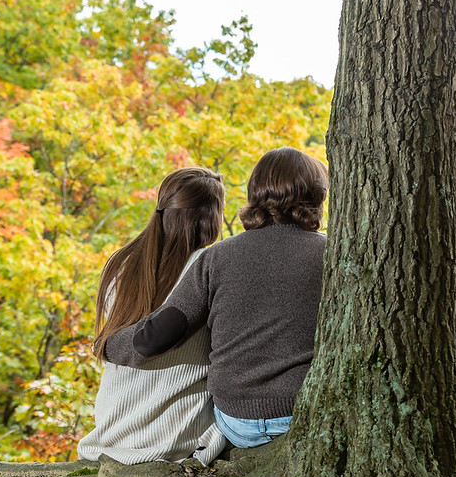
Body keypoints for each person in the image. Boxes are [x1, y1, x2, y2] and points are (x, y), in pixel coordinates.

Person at [104, 147, 328, 448]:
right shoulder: (334, 254)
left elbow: (156, 336)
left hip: (238, 422)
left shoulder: (217, 257)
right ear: (317, 196)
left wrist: (107, 345)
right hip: (305, 411)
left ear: (255, 192)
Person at [77, 167, 228, 465]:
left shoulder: (120, 263)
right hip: (173, 436)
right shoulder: (207, 267)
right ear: (210, 217)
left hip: (113, 428)